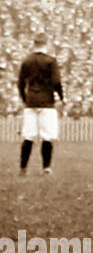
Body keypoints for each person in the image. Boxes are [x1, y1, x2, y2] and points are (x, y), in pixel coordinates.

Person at [17, 33, 63, 175]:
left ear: (34, 44)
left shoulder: (26, 61)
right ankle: (46, 167)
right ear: (46, 44)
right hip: (47, 102)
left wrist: (25, 98)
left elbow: (20, 83)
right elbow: (56, 82)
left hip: (31, 101)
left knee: (28, 136)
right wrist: (61, 97)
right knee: (47, 136)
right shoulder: (51, 61)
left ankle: (23, 168)